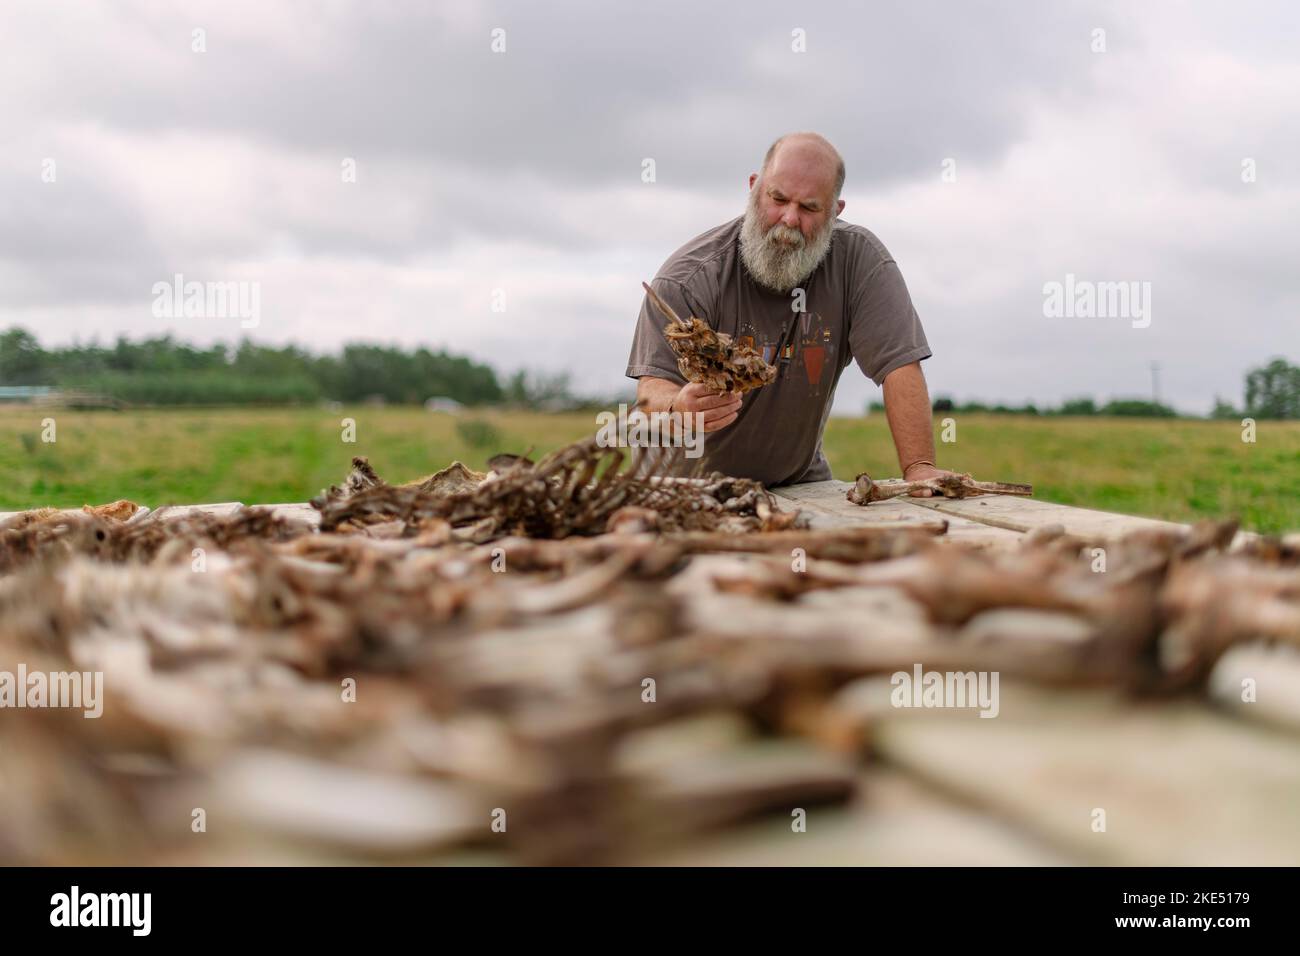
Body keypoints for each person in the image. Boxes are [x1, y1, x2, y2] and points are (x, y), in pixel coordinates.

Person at [626, 131, 957, 493]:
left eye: (809, 208)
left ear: (835, 211)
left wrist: (919, 467)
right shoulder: (687, 278)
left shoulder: (861, 262)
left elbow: (899, 366)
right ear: (754, 187)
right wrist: (678, 406)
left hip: (795, 483)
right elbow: (651, 390)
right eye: (778, 198)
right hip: (682, 487)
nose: (789, 219)